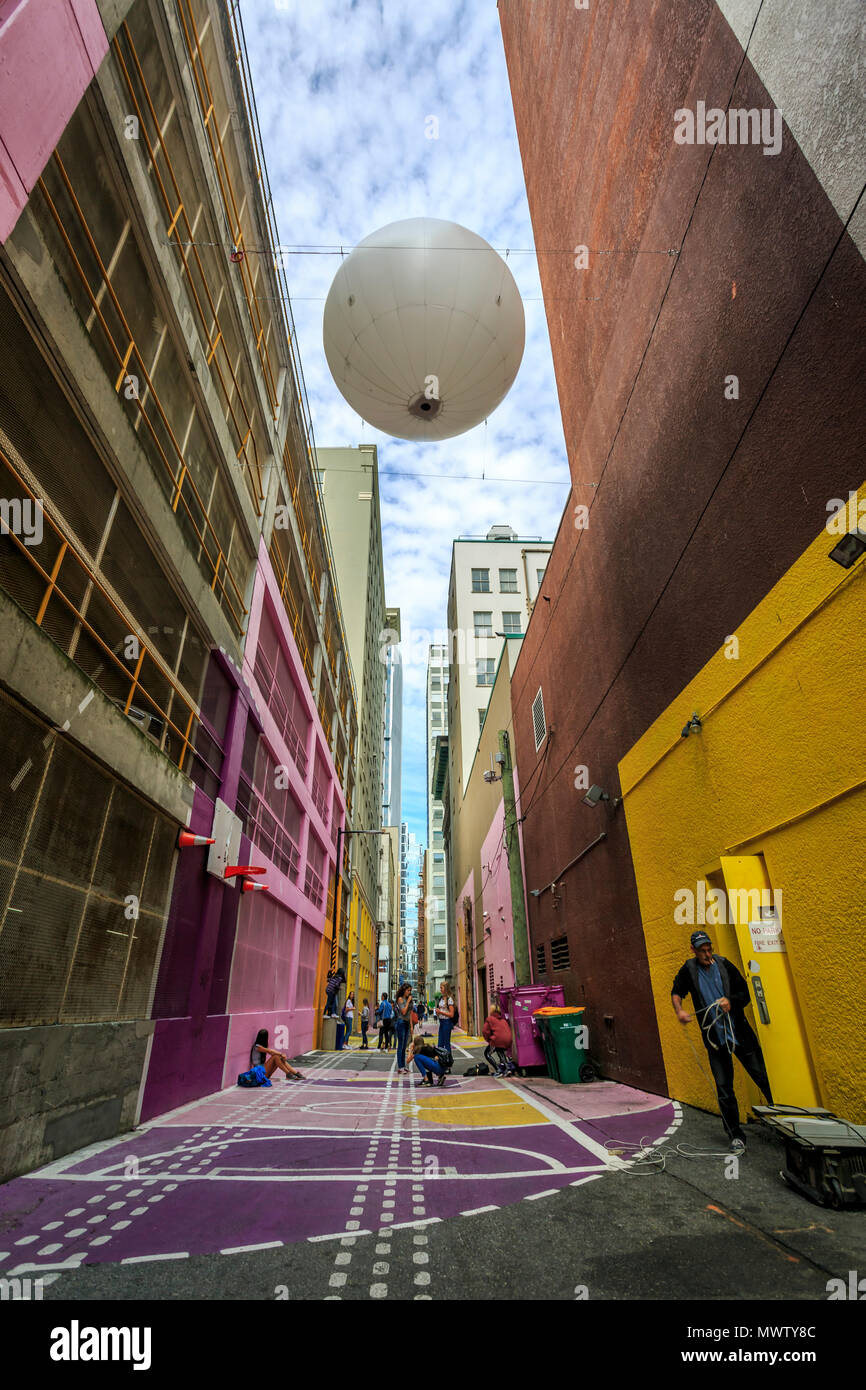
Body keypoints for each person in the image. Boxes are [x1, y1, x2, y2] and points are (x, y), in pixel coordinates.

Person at [671, 931, 773, 1153]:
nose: (707, 954)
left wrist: (731, 1001)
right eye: (702, 950)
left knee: (762, 1076)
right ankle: (736, 1135)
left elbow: (745, 993)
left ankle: (783, 1123)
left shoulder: (725, 965)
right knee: (724, 1088)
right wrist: (679, 1011)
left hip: (740, 1034)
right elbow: (676, 991)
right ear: (693, 951)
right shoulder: (689, 970)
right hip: (715, 1040)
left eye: (709, 949)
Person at [482, 1002, 515, 1077]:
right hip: (508, 1040)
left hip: (497, 1039)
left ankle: (498, 1070)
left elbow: (485, 1031)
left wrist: (489, 1040)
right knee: (500, 1050)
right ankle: (507, 1069)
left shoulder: (490, 1019)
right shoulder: (503, 1020)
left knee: (487, 1053)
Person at [435, 980, 456, 1063]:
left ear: (445, 989)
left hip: (447, 1023)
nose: (440, 989)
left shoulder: (449, 999)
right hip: (441, 1022)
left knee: (446, 1044)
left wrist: (440, 1012)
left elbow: (451, 1014)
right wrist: (438, 1013)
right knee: (440, 1044)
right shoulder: (441, 998)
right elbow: (442, 1010)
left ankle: (448, 1063)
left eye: (441, 988)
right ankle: (441, 1062)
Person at [394, 983, 413, 1074]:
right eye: (408, 990)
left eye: (410, 991)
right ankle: (400, 1067)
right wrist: (408, 1001)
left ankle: (403, 1066)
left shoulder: (407, 999)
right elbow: (404, 1012)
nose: (409, 992)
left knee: (404, 1046)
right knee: (400, 1045)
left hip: (406, 1023)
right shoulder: (400, 999)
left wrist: (411, 1026)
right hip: (401, 1022)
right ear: (404, 990)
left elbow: (410, 1013)